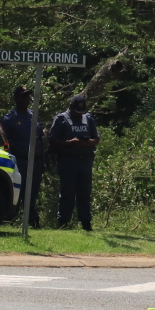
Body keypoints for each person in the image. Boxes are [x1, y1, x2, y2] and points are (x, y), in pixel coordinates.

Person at [49, 93, 100, 231]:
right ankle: (63, 222)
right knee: (67, 193)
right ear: (70, 107)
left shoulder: (88, 118)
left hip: (85, 161)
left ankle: (86, 222)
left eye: (81, 111)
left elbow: (96, 138)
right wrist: (68, 143)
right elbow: (53, 139)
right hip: (68, 161)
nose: (79, 114)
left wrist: (88, 142)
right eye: (77, 111)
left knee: (85, 193)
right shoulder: (61, 119)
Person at [0, 86, 41, 226]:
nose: (27, 99)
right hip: (19, 161)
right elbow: (4, 142)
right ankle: (8, 220)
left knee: (32, 194)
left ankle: (32, 220)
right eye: (23, 96)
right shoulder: (9, 118)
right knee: (17, 193)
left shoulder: (33, 116)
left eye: (28, 96)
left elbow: (40, 138)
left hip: (35, 162)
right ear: (16, 98)